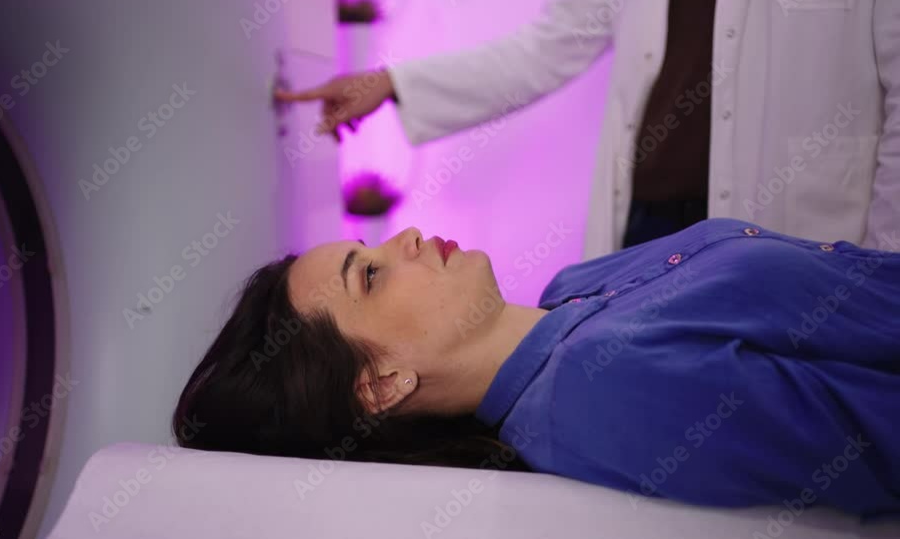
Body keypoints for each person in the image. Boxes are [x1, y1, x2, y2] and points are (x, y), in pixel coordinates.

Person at [173, 217, 900, 516]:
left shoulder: (570, 288)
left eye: (374, 243)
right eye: (371, 275)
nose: (409, 236)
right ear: (383, 383)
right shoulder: (601, 390)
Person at [275, 0, 900, 259]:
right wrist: (390, 83)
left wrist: (886, 260)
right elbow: (541, 50)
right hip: (649, 231)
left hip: (793, 236)